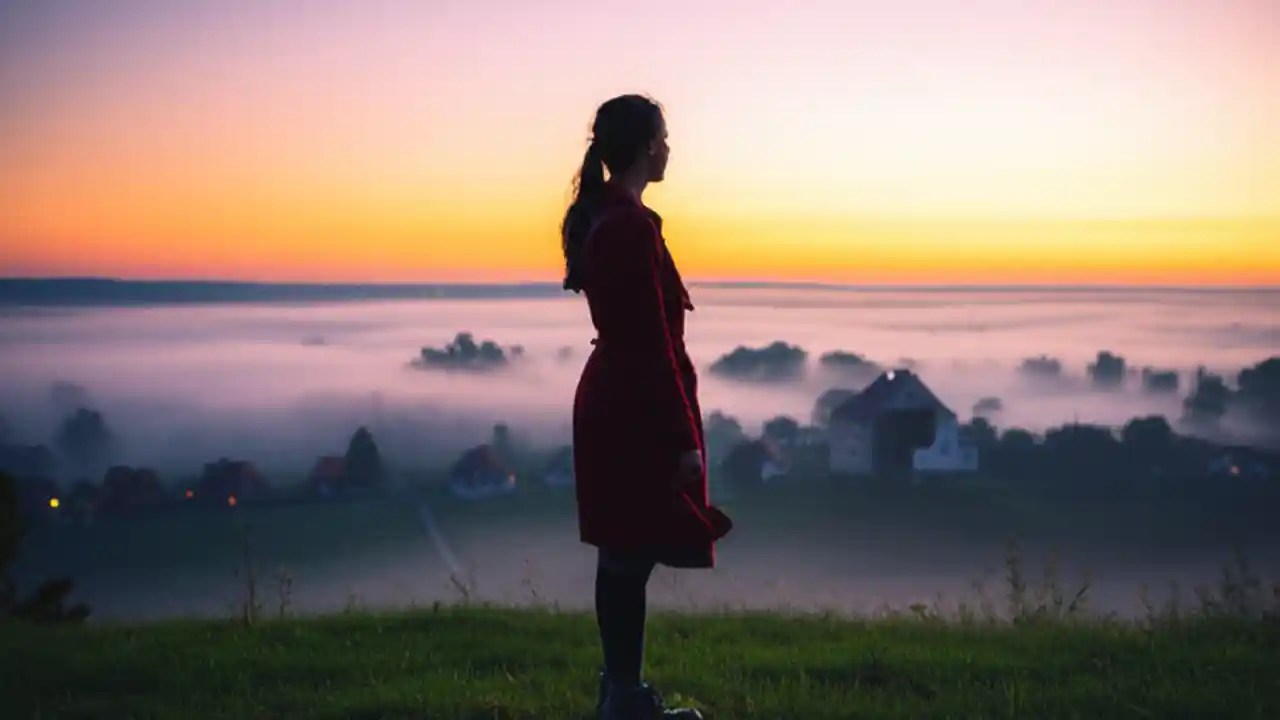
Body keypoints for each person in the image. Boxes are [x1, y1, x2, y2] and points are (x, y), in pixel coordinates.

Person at [561, 94, 733, 719]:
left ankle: (621, 694)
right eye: (665, 136)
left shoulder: (614, 216)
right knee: (629, 552)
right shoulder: (628, 225)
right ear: (645, 146)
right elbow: (650, 342)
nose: (670, 147)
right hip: (632, 404)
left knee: (624, 552)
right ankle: (625, 699)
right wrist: (683, 436)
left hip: (615, 396)